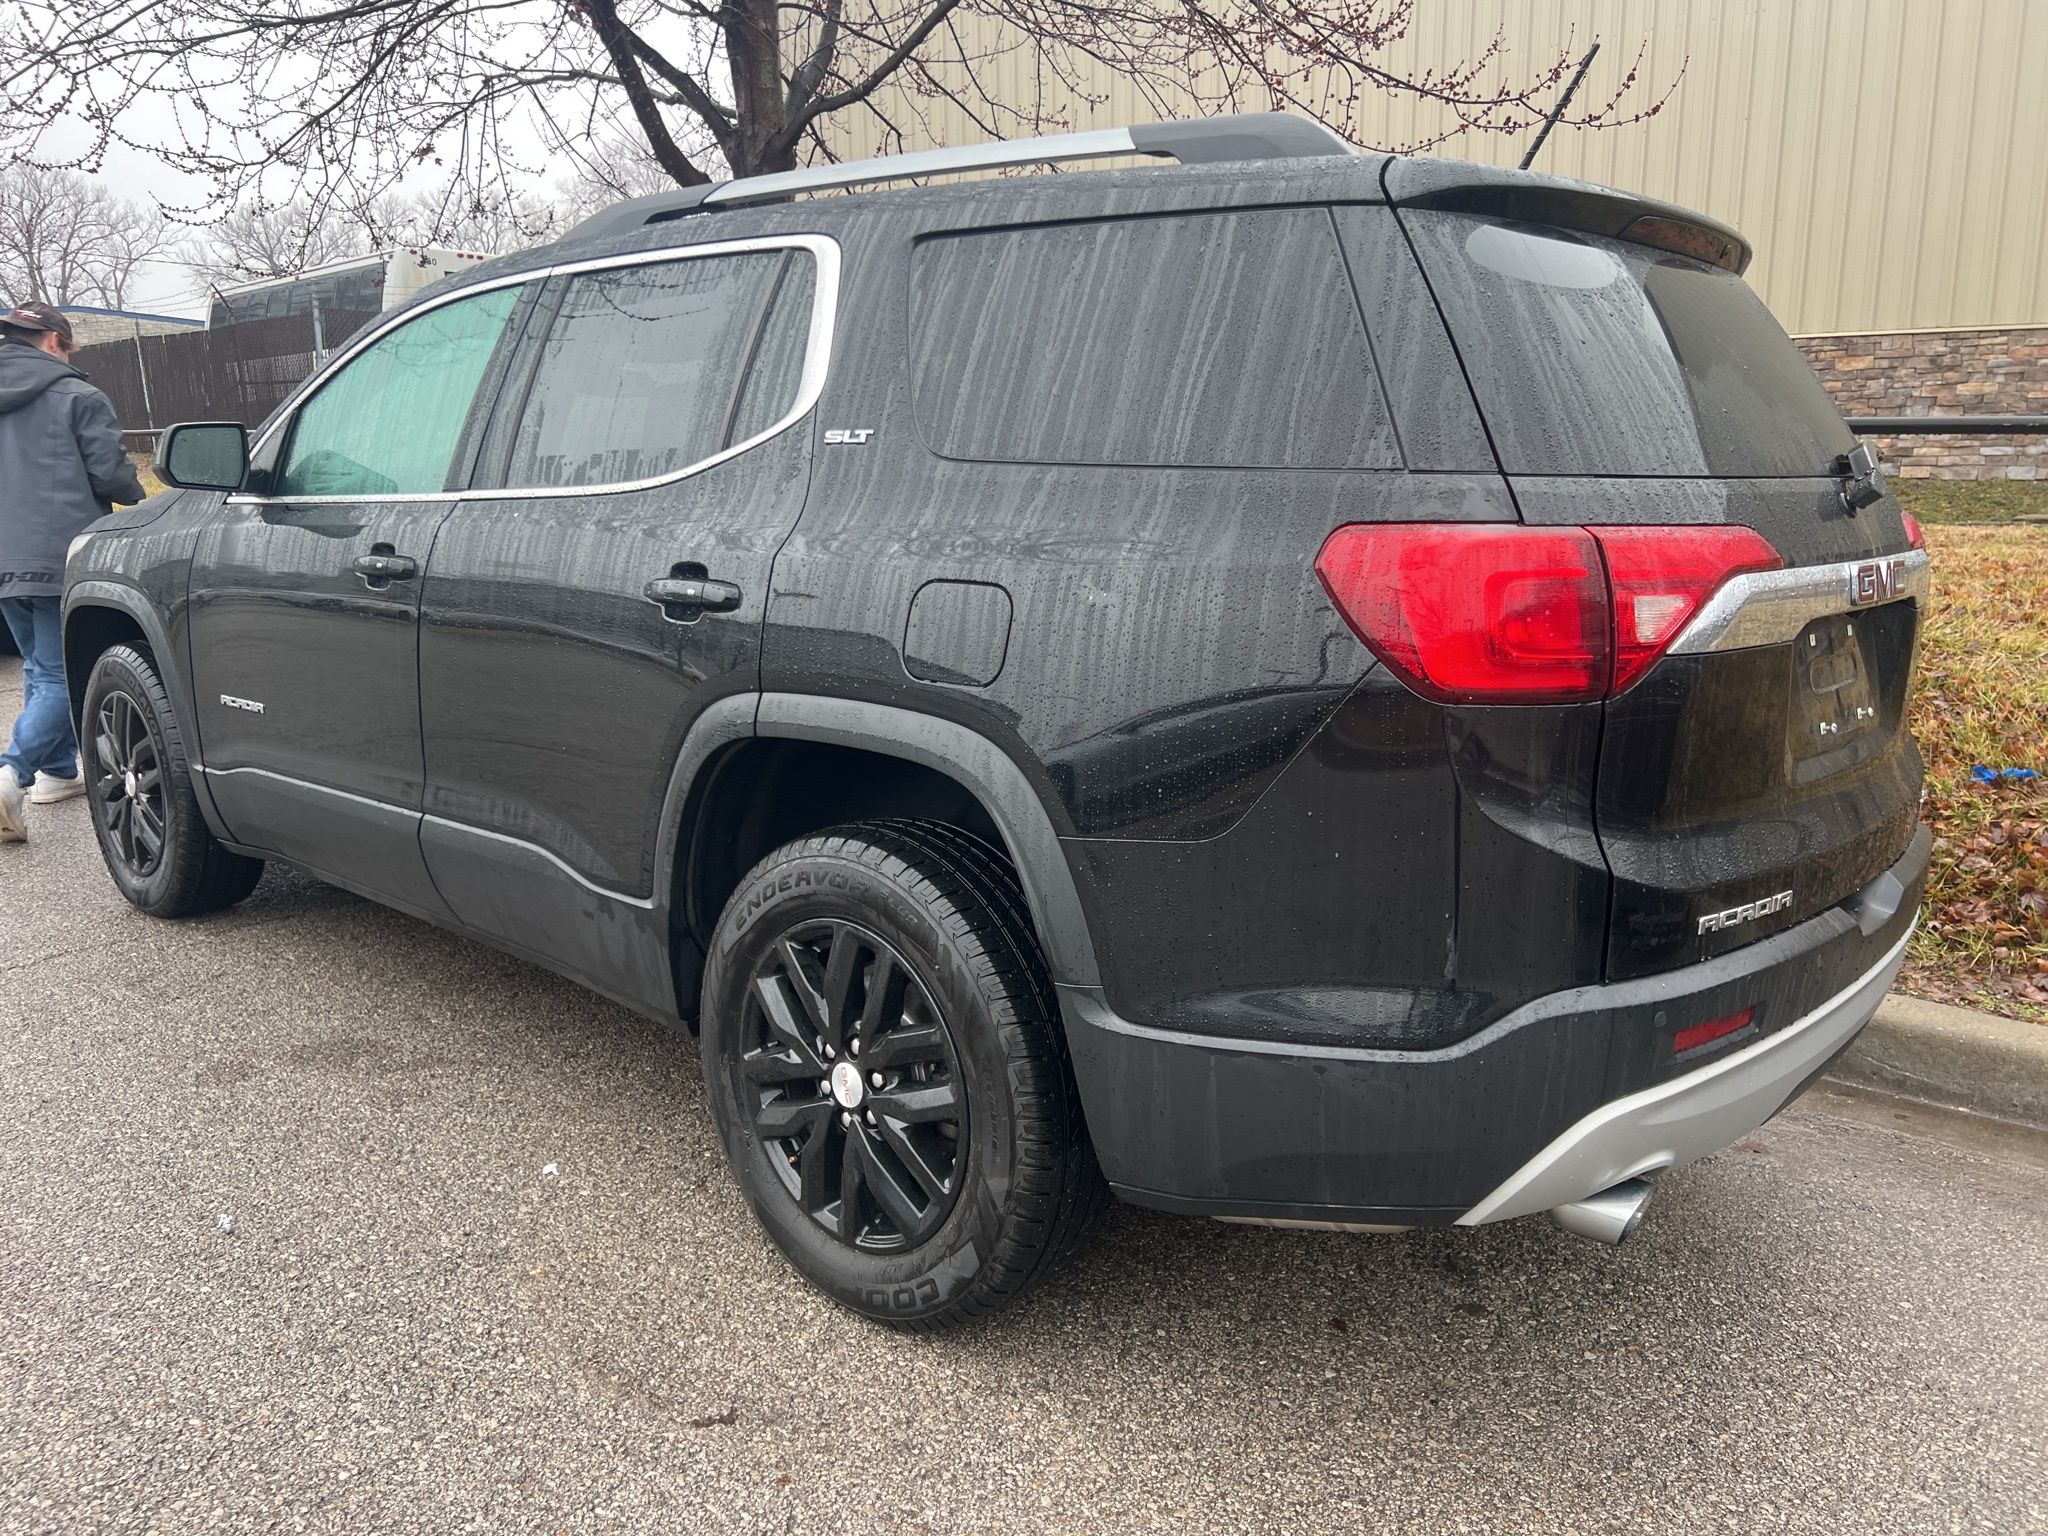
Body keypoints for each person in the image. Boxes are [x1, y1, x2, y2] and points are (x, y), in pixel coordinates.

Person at [0, 302, 147, 844]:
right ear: (57, 341)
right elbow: (111, 475)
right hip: (59, 554)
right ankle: (11, 771)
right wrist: (142, 499)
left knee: (40, 667)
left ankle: (58, 773)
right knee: (63, 673)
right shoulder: (78, 396)